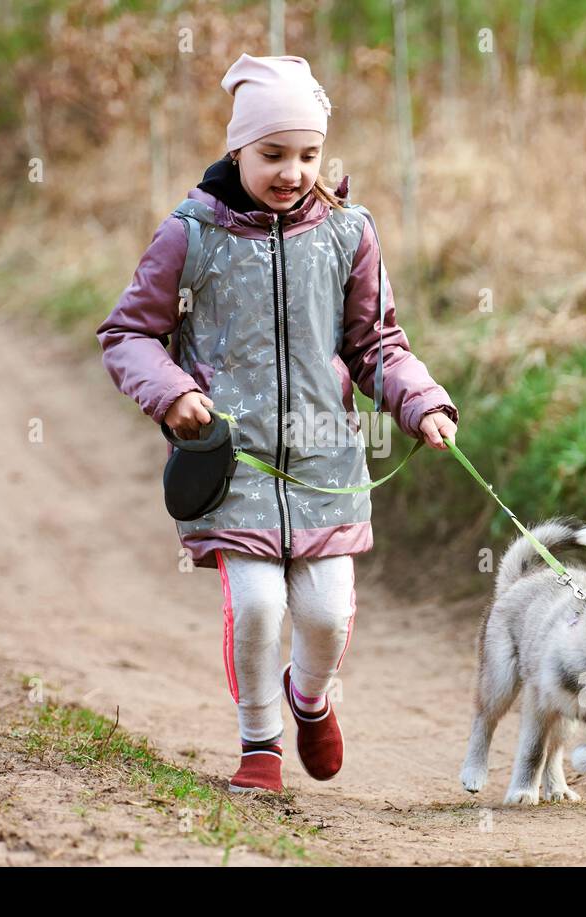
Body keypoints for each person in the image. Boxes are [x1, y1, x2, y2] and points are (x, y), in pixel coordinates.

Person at [97, 53, 459, 793]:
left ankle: (310, 697)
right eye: (272, 154)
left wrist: (420, 402)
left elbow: (374, 344)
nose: (292, 171)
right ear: (238, 149)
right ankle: (259, 742)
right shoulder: (191, 234)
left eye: (307, 153)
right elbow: (127, 333)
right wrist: (171, 393)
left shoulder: (348, 234)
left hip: (325, 467)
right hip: (233, 466)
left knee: (325, 615)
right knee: (258, 603)